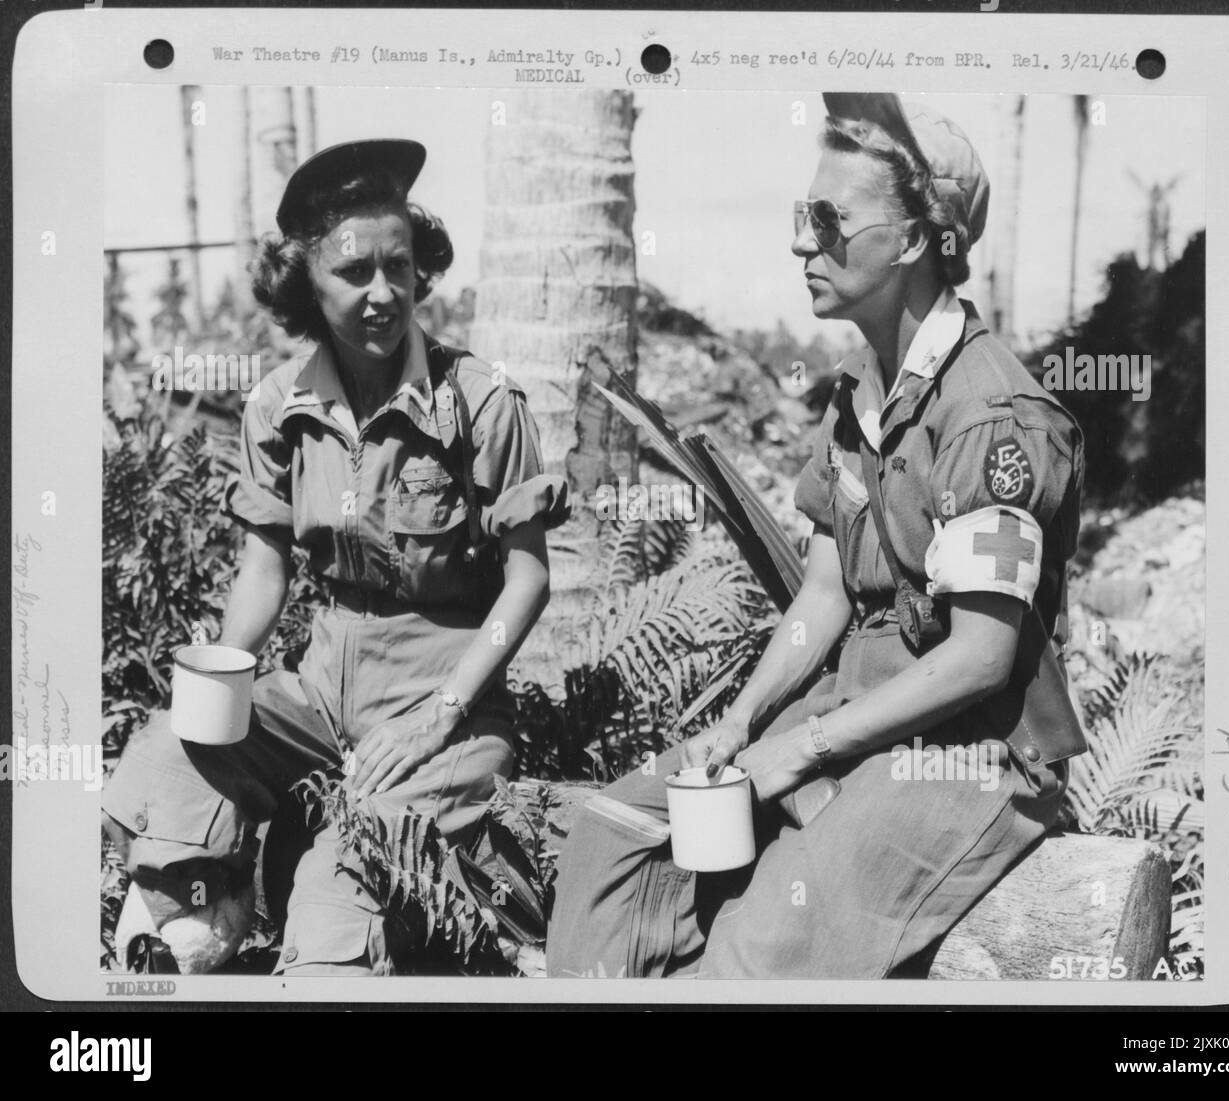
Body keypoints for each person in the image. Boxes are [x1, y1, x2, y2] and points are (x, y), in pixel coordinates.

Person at [545, 94, 1086, 979]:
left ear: (914, 240)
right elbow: (826, 591)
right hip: (853, 715)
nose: (803, 241)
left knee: (757, 953)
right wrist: (744, 720)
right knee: (613, 843)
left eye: (829, 220)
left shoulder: (992, 415)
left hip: (967, 751)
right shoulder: (861, 395)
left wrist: (802, 750)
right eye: (804, 216)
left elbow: (984, 658)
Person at [103, 138, 570, 975]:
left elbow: (528, 575)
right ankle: (196, 918)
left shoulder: (481, 402)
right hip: (326, 681)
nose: (385, 292)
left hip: (449, 694)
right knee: (175, 744)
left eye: (401, 265)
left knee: (343, 872)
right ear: (305, 283)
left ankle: (330, 948)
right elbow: (265, 566)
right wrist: (223, 675)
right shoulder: (278, 407)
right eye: (355, 272)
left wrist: (443, 710)